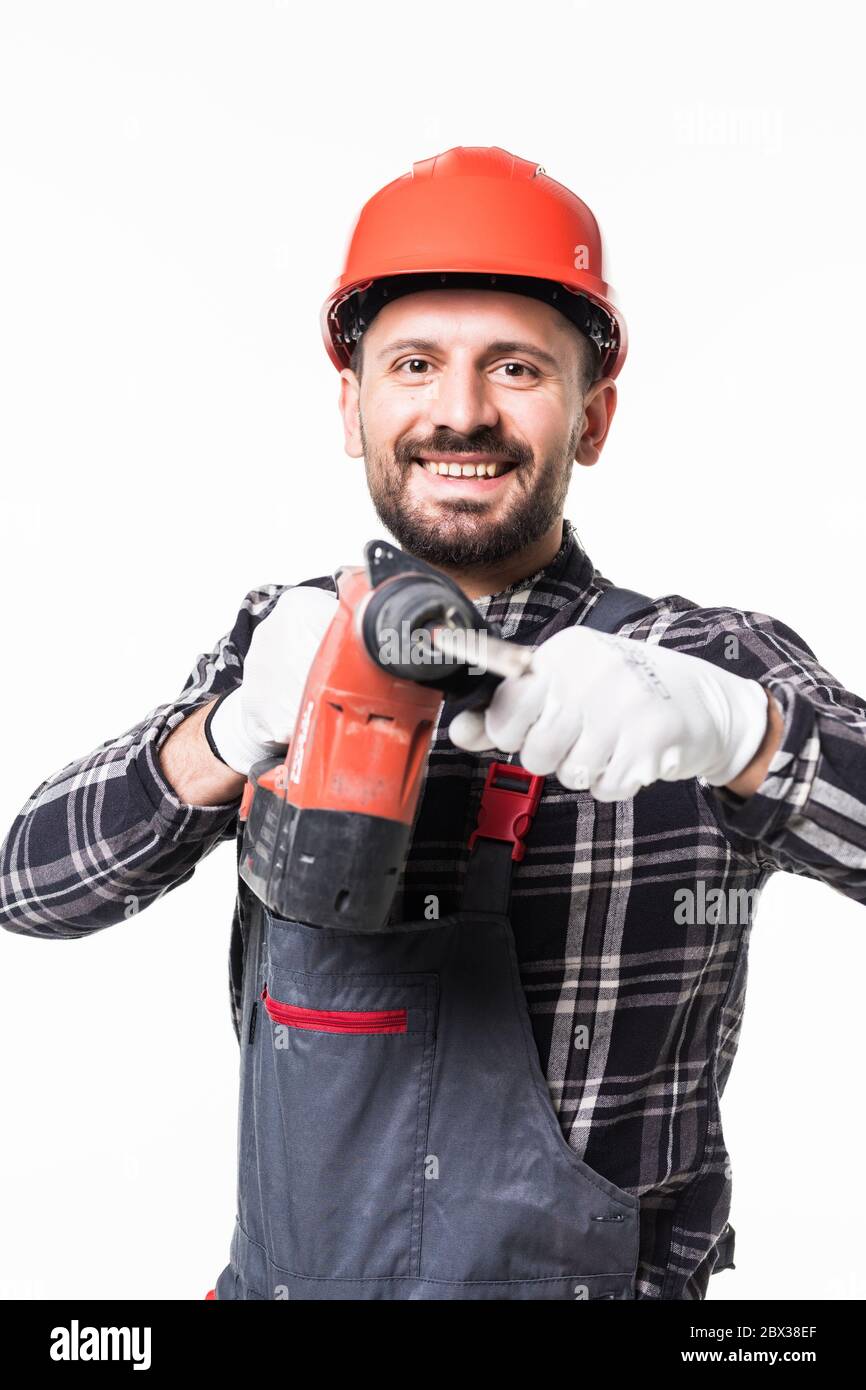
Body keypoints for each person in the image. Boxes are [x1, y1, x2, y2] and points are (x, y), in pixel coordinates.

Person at [3, 146, 864, 1301]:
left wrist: (752, 736)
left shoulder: (703, 665)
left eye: (515, 369)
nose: (460, 413)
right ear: (352, 406)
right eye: (414, 364)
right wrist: (229, 730)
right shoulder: (287, 644)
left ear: (591, 419)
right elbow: (30, 886)